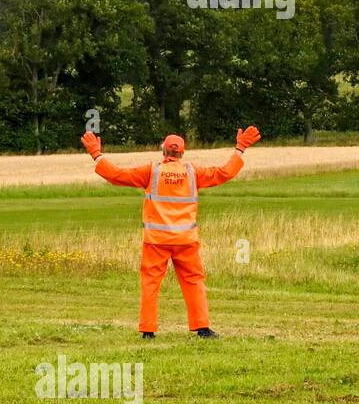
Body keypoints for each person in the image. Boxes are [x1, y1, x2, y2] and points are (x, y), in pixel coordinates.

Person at [80, 126, 261, 338]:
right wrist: (240, 149)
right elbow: (224, 173)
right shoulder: (193, 172)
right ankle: (202, 328)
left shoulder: (152, 171)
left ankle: (148, 331)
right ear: (182, 153)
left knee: (150, 284)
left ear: (163, 151)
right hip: (186, 240)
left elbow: (116, 175)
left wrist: (97, 154)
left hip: (156, 240)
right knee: (194, 282)